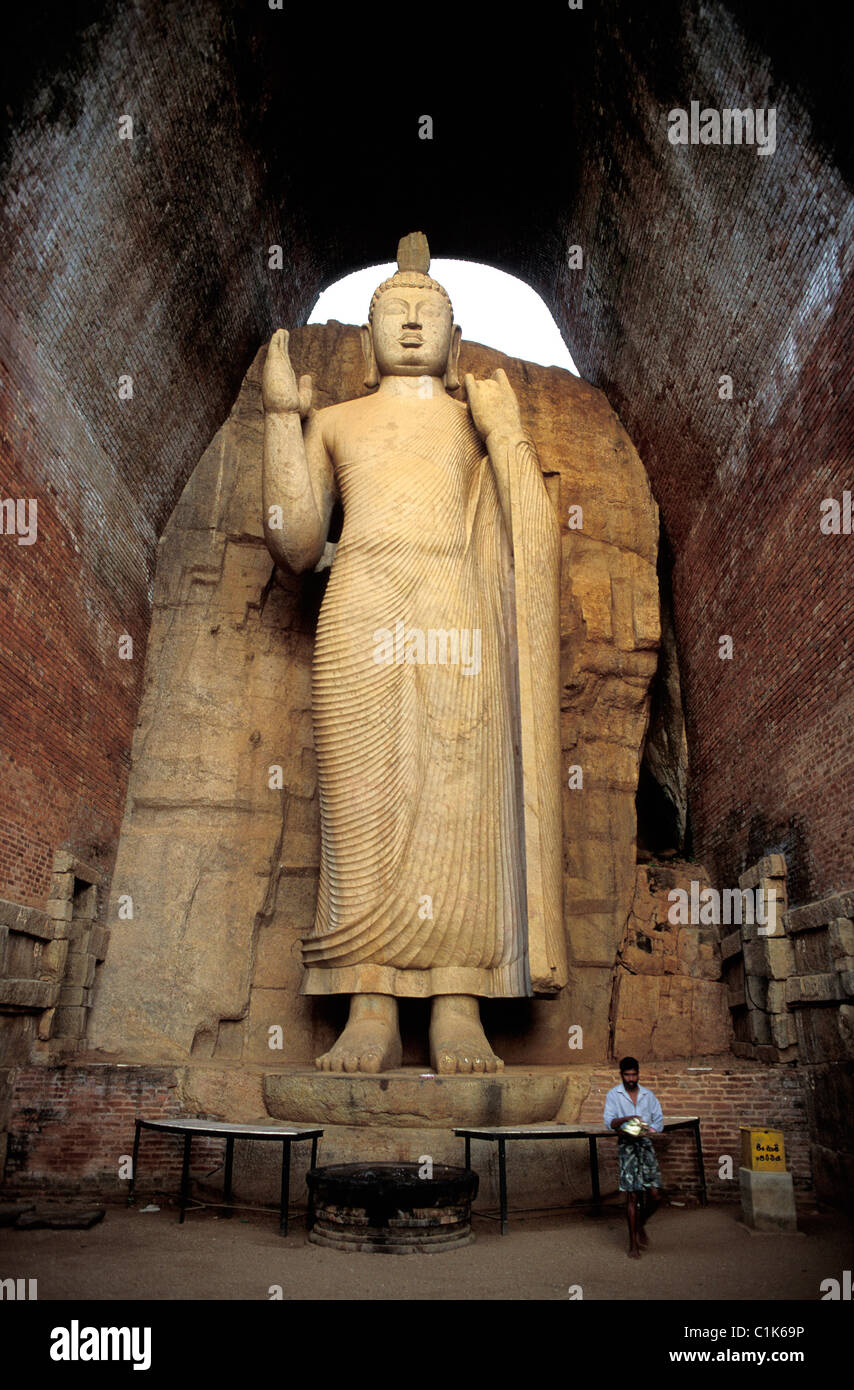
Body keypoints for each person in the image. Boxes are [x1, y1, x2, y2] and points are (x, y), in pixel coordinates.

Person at [261, 233, 566, 1075]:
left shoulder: (475, 421)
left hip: (454, 608)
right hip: (359, 603)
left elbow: (525, 534)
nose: (407, 324)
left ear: (454, 339)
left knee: (459, 800)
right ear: (366, 338)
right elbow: (292, 542)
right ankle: (369, 1005)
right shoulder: (337, 420)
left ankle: (459, 1004)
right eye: (392, 311)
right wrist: (282, 420)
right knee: (361, 802)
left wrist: (507, 436)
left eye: (425, 312)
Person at [603, 1056, 664, 1257]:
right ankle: (633, 1245)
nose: (631, 1078)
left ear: (638, 1074)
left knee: (655, 1194)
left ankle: (640, 1222)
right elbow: (610, 1122)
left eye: (634, 1074)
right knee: (633, 1195)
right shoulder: (614, 1094)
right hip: (627, 1147)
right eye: (627, 1075)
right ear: (621, 1075)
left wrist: (649, 1130)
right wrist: (628, 1119)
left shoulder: (648, 1095)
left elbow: (659, 1120)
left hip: (645, 1145)